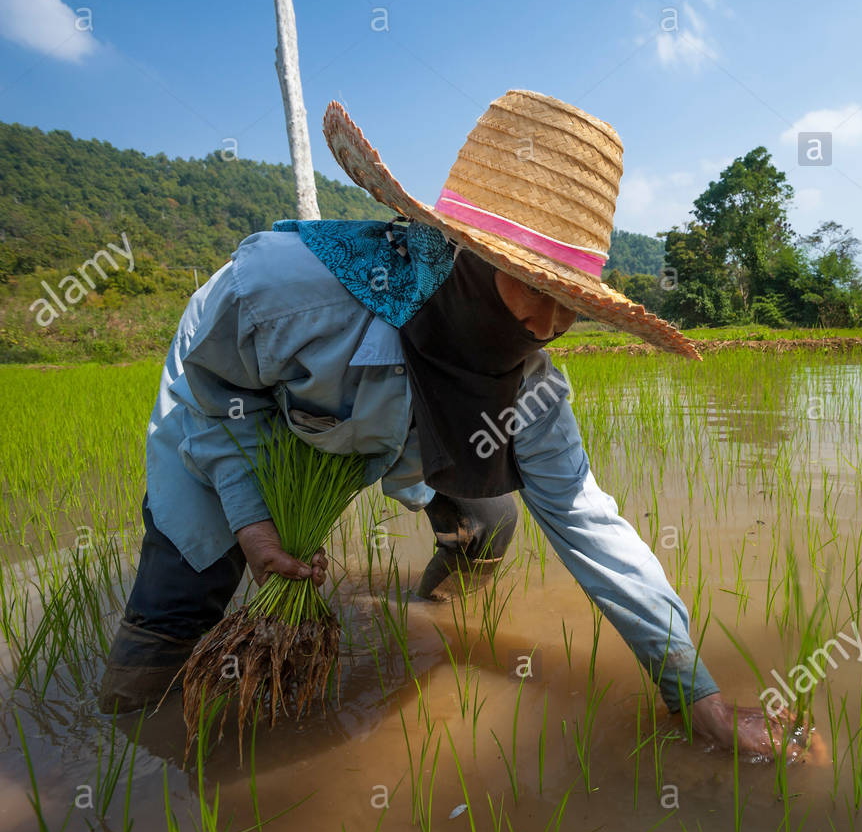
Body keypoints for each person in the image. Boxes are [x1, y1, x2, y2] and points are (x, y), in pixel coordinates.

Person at [97, 90, 798, 759]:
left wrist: (695, 695)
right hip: (232, 420)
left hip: (372, 436)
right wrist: (252, 521)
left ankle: (436, 616)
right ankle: (134, 730)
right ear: (470, 255)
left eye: (572, 304)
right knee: (176, 608)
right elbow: (210, 388)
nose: (549, 327)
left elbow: (591, 526)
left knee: (490, 523)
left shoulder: (527, 390)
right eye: (535, 286)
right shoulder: (286, 295)